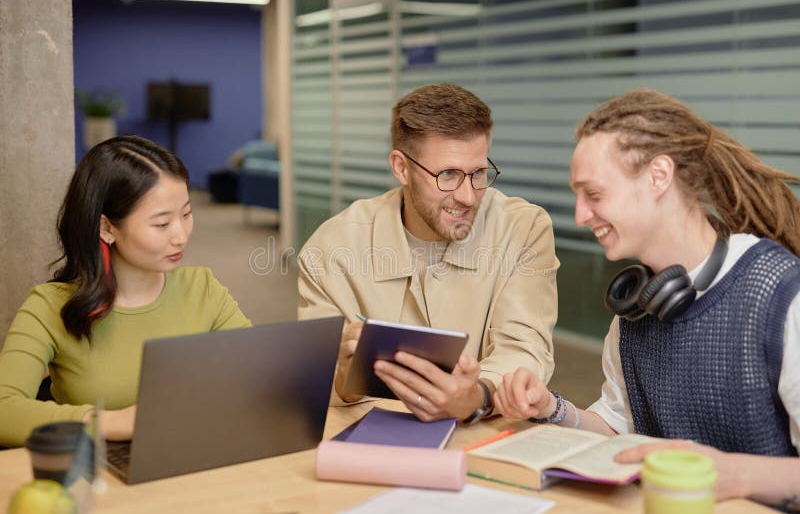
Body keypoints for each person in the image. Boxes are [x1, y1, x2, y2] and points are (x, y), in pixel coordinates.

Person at [493, 89, 800, 508]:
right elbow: (617, 429)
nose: (581, 215)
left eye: (594, 195)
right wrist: (549, 406)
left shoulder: (780, 294)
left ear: (658, 176)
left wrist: (728, 472)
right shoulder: (637, 308)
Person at [298, 83, 559, 424]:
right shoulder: (331, 248)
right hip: (374, 440)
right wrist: (344, 378)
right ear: (401, 168)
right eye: (448, 174)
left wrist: (476, 396)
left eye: (478, 173)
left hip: (481, 436)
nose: (467, 196)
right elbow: (310, 382)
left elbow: (525, 350)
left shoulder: (523, 228)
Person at [0, 136, 251, 447]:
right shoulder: (49, 307)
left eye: (186, 214)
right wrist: (110, 422)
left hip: (194, 458)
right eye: (161, 224)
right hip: (99, 474)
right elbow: (4, 410)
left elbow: (256, 376)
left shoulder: (203, 289)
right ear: (106, 228)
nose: (181, 235)